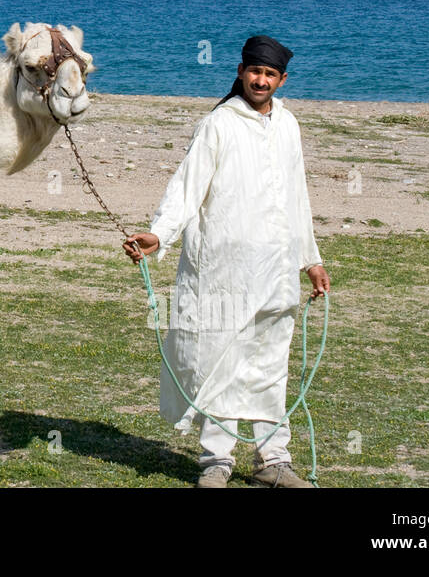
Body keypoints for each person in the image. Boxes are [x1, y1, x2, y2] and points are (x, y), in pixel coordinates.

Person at [124, 35, 331, 488]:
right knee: (221, 359)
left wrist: (309, 259)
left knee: (269, 362)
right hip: (223, 267)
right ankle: (215, 461)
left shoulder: (289, 125)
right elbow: (187, 187)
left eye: (270, 74)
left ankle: (273, 461)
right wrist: (160, 234)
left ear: (282, 80)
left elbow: (297, 197)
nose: (261, 80)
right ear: (240, 72)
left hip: (275, 269)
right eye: (254, 71)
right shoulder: (219, 124)